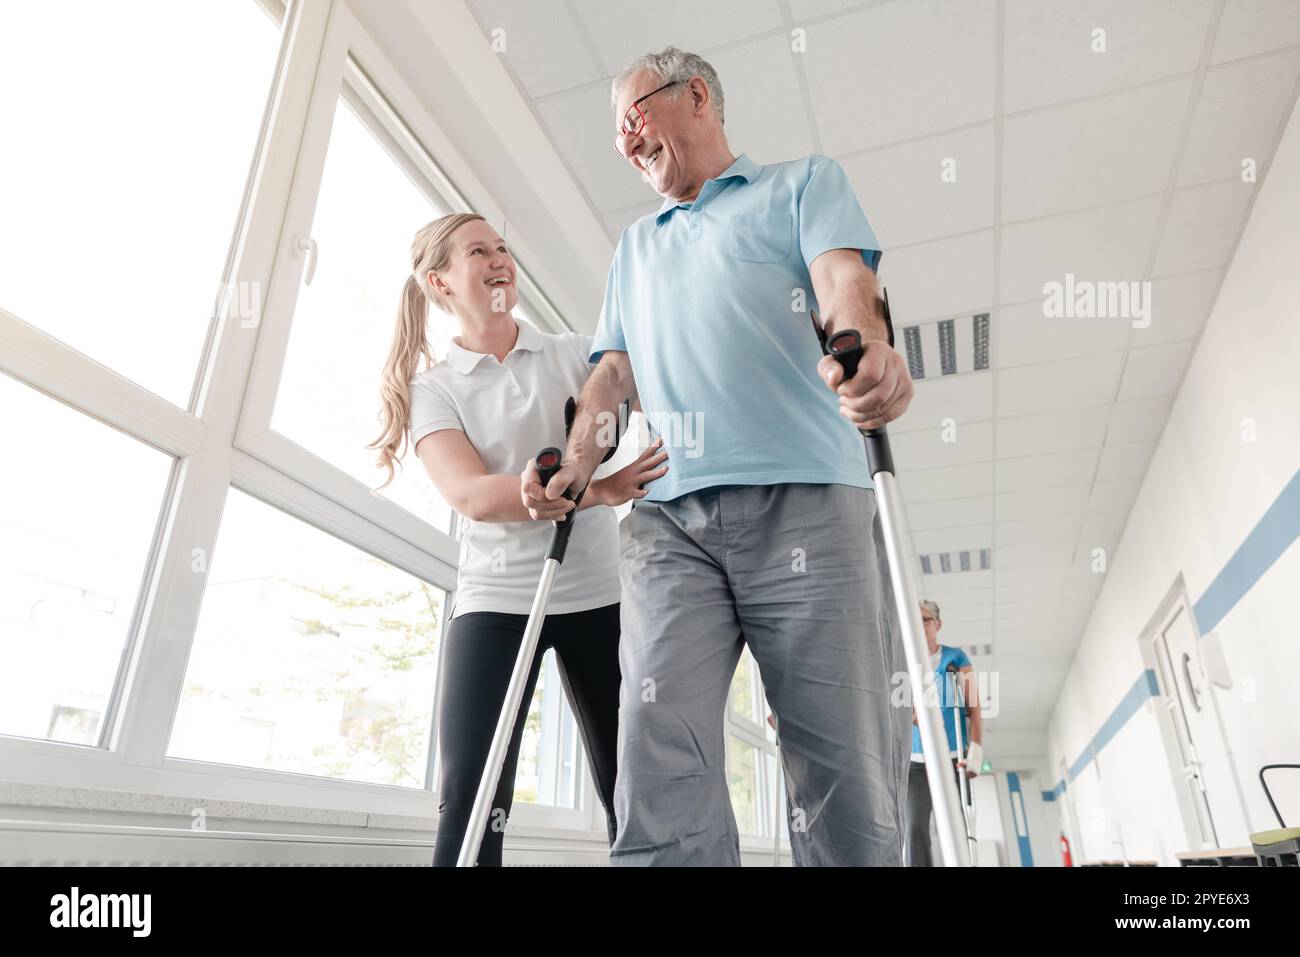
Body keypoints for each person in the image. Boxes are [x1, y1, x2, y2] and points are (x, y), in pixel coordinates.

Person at [521, 48, 915, 866]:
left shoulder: (800, 185)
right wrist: (576, 467)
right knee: (656, 753)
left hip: (808, 501)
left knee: (840, 758)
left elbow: (844, 278)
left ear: (695, 95)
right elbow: (611, 377)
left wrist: (864, 344)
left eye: (634, 117)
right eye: (617, 135)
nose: (627, 142)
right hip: (672, 524)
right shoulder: (635, 248)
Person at [369, 212, 668, 866]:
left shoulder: (572, 353)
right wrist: (597, 492)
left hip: (596, 594)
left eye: (503, 246)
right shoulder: (434, 388)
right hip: (495, 602)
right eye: (479, 250)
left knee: (636, 789)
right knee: (473, 799)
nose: (500, 258)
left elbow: (663, 387)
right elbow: (473, 495)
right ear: (440, 280)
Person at [905, 599, 984, 867]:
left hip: (952, 755)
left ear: (938, 625)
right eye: (916, 620)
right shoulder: (904, 659)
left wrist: (975, 750)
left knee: (953, 823)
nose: (921, 625)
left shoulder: (956, 658)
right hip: (917, 760)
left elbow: (974, 707)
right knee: (914, 827)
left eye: (926, 620)